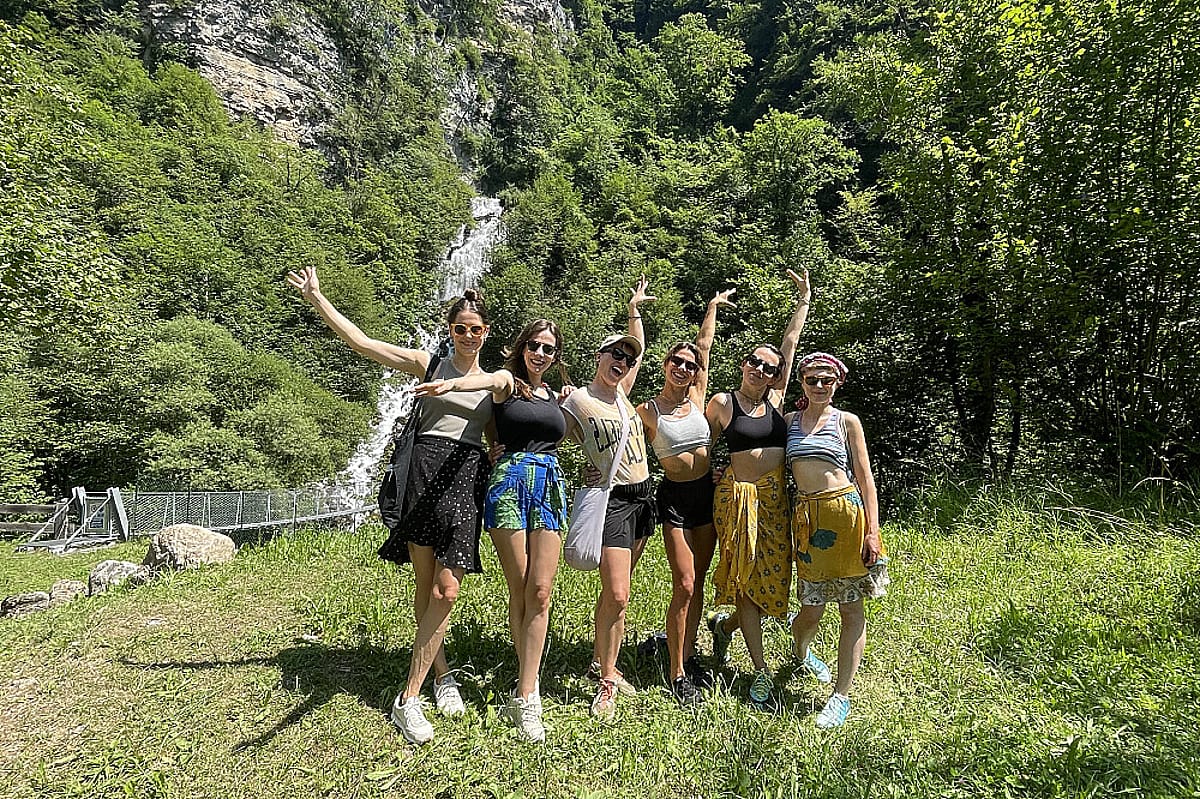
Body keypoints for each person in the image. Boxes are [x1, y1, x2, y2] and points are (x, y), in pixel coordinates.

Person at [287, 266, 492, 745]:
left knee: (446, 590)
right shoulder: (429, 364)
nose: (467, 336)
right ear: (450, 330)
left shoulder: (494, 381)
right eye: (459, 328)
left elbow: (507, 432)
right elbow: (363, 343)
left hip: (466, 477)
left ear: (486, 332)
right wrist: (318, 299)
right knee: (427, 586)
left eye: (475, 329)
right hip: (424, 471)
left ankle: (409, 695)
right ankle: (440, 675)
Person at [412, 319, 571, 742]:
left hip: (549, 483)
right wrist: (448, 384)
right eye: (534, 345)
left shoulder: (557, 396)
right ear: (522, 348)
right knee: (521, 587)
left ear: (555, 356)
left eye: (548, 349)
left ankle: (525, 692)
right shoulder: (506, 382)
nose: (540, 354)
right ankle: (526, 691)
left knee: (541, 591)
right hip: (509, 483)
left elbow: (608, 406)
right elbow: (482, 380)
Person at [705, 268, 810, 708]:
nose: (761, 369)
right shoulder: (723, 403)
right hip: (737, 500)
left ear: (774, 377)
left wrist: (803, 301)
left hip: (774, 502)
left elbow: (790, 344)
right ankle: (761, 670)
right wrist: (710, 474)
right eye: (755, 362)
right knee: (747, 582)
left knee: (774, 582)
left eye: (769, 368)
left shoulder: (776, 402)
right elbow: (702, 446)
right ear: (743, 365)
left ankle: (724, 627)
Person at [560, 276, 656, 719]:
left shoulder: (622, 395)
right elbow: (548, 432)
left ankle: (603, 660)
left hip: (643, 497)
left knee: (620, 591)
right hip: (613, 499)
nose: (622, 361)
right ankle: (606, 681)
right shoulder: (578, 400)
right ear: (598, 357)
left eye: (627, 358)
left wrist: (634, 308)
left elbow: (641, 347)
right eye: (615, 354)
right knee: (617, 594)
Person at [635, 289, 736, 705]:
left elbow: (705, 345)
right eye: (677, 361)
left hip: (706, 496)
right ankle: (676, 673)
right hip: (674, 499)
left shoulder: (697, 398)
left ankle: (688, 652)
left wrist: (711, 309)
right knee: (685, 582)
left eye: (690, 365)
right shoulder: (647, 411)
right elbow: (619, 444)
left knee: (697, 585)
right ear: (665, 365)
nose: (683, 367)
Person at [786, 352, 888, 729]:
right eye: (812, 379)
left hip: (847, 518)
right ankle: (801, 652)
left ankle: (841, 695)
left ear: (837, 383)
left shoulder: (847, 422)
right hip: (808, 524)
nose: (819, 386)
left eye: (826, 380)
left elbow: (865, 478)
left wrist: (872, 531)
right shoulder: (788, 422)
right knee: (810, 610)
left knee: (851, 609)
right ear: (802, 382)